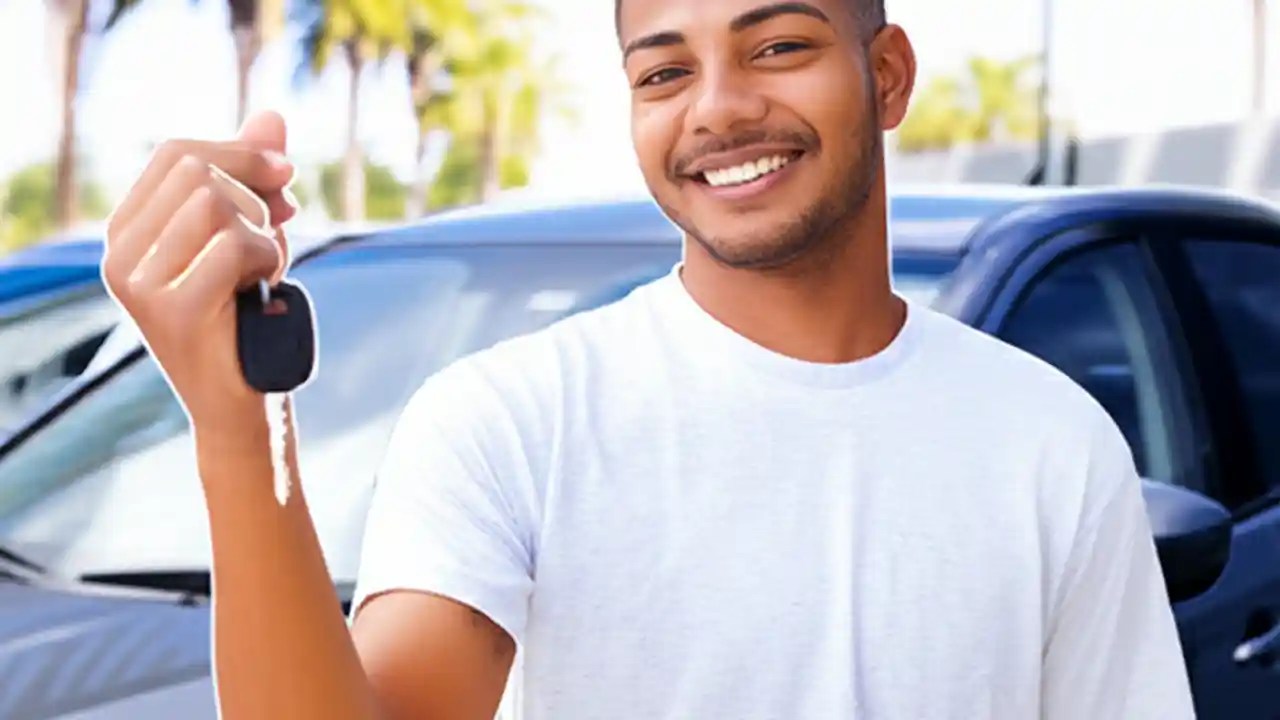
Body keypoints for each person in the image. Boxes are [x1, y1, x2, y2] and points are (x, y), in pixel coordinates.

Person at [101, 0, 1196, 718]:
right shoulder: (508, 420)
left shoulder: (1047, 441)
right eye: (662, 73)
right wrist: (244, 427)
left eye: (776, 47)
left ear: (888, 75)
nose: (717, 107)